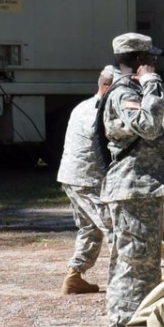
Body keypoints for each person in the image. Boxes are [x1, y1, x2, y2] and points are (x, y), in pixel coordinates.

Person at [101, 32, 164, 327]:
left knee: (143, 268)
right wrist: (152, 84)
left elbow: (148, 132)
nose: (156, 65)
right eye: (151, 60)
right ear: (138, 62)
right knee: (134, 269)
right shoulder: (124, 92)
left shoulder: (132, 93)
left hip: (141, 190)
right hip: (131, 191)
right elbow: (146, 125)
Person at [55, 65, 116, 295]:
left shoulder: (82, 107)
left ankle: (74, 276)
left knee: (90, 229)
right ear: (108, 87)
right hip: (88, 180)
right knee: (113, 228)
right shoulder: (102, 111)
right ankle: (122, 283)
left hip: (72, 176)